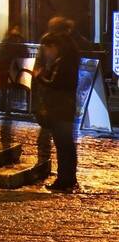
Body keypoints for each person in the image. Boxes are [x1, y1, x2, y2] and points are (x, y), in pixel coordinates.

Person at [33, 30, 81, 193]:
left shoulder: (63, 62)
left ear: (54, 47)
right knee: (66, 145)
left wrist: (39, 77)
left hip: (60, 109)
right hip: (65, 108)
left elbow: (55, 84)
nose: (46, 53)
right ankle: (68, 178)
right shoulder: (67, 60)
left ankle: (64, 179)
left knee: (63, 146)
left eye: (47, 49)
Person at [0, 24, 26, 147]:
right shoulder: (18, 41)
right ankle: (6, 106)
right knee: (9, 88)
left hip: (7, 69)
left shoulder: (8, 41)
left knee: (6, 88)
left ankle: (4, 105)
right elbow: (23, 53)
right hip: (13, 69)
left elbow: (2, 53)